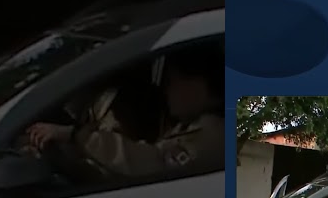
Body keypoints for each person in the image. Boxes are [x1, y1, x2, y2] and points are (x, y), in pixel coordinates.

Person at [29, 44, 224, 177]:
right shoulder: (192, 125)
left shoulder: (212, 133)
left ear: (199, 85)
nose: (165, 89)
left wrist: (78, 136)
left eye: (171, 81)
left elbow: (153, 163)